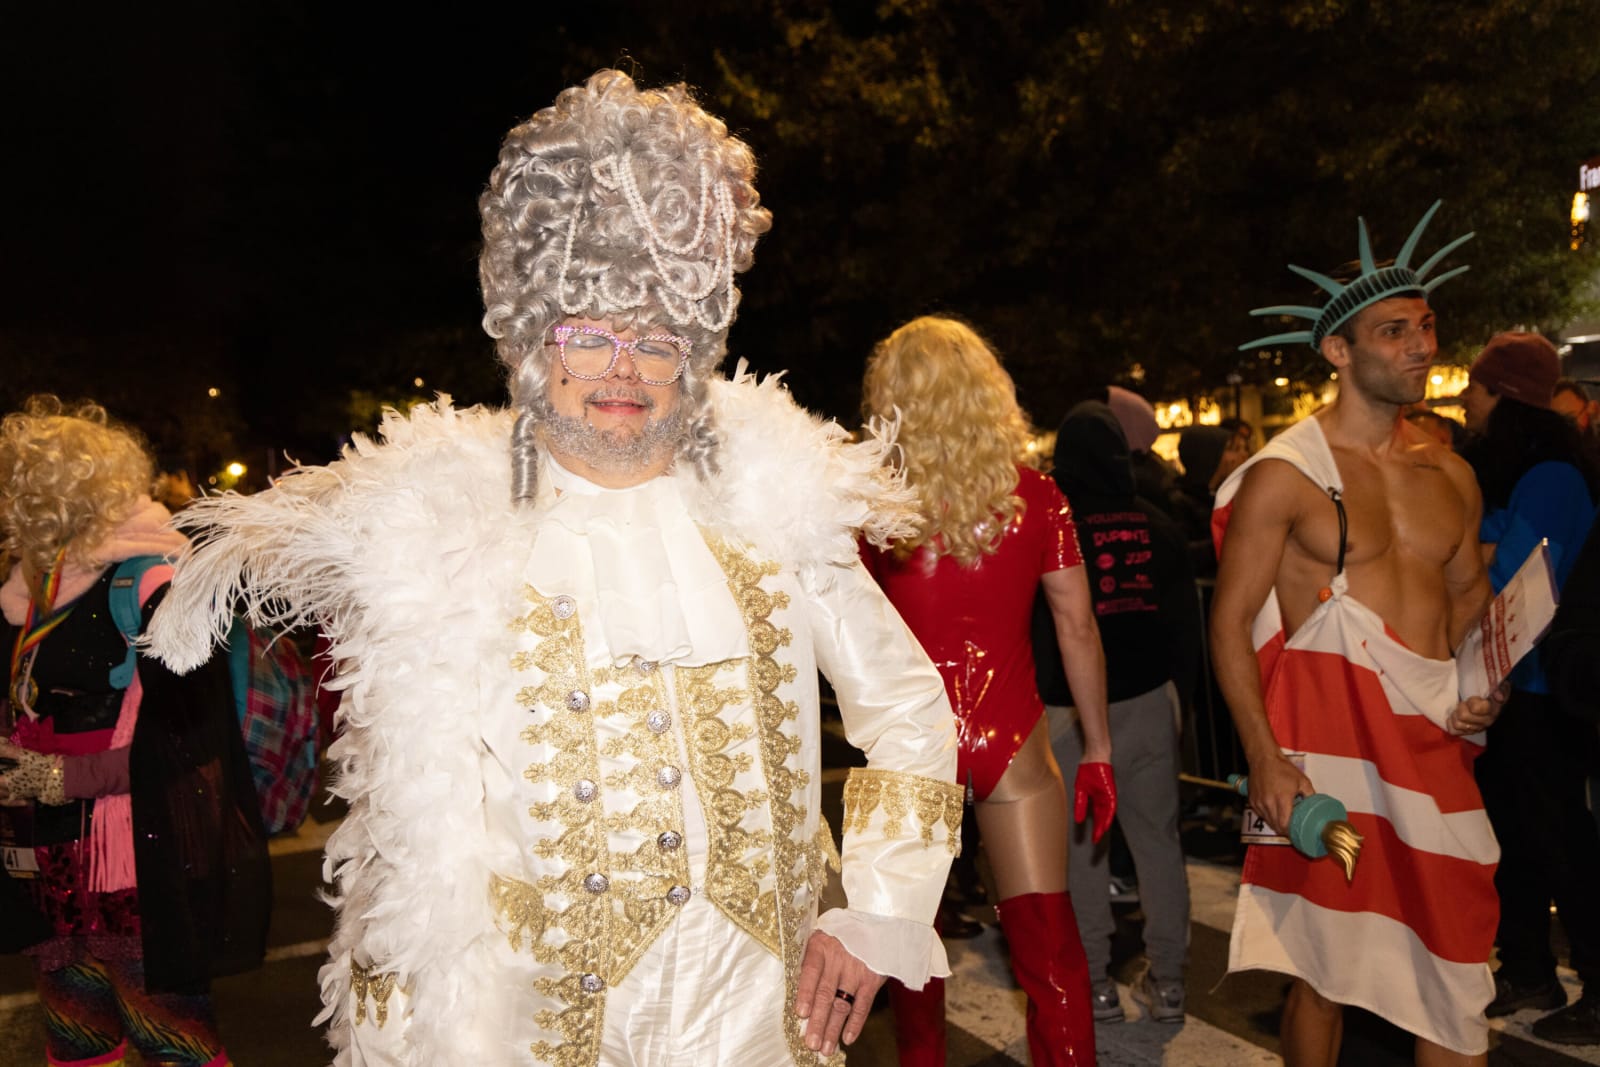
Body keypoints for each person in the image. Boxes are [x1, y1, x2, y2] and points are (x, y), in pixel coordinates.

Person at [146, 71, 961, 1067]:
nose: (623, 367)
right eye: (588, 334)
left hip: (763, 1014)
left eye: (655, 340)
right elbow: (408, 837)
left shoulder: (777, 506)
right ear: (534, 345)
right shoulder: (439, 533)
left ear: (693, 354)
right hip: (542, 1029)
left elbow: (909, 710)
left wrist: (878, 911)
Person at [1212, 201, 1504, 1065]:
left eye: (1425, 326)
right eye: (1393, 331)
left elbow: (1470, 609)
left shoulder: (1451, 472)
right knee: (1325, 972)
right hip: (1329, 751)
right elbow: (1228, 623)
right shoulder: (1287, 478)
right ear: (1338, 351)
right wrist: (1264, 755)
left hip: (1436, 751)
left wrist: (1490, 685)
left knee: (1452, 971)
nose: (1420, 345)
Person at [860, 315, 1116, 1067]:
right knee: (1052, 962)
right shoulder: (1038, 497)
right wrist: (1098, 748)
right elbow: (1078, 627)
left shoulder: (872, 511)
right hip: (1012, 738)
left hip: (910, 746)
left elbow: (848, 639)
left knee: (913, 957)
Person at [0, 396, 270, 1067]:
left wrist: (69, 776)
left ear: (49, 492)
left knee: (171, 1040)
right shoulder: (32, 583)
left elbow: (193, 734)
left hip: (135, 860)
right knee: (76, 1037)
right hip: (51, 857)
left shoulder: (150, 580)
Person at [1035, 400, 1198, 1025]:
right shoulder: (1156, 525)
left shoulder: (1056, 527)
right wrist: (1174, 698)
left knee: (1083, 853)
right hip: (1149, 702)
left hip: (1071, 714)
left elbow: (1040, 628)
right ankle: (1171, 980)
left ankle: (1096, 982)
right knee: (1157, 844)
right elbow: (1186, 627)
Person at [1457, 332, 1600, 1045]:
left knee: (1561, 839)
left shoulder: (1549, 474)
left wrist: (1473, 547)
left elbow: (1507, 569)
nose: (1464, 401)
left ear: (1503, 397)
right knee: (1515, 836)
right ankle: (1528, 968)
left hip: (1547, 685)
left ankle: (1598, 985)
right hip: (1514, 683)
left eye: (1476, 389)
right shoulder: (1518, 469)